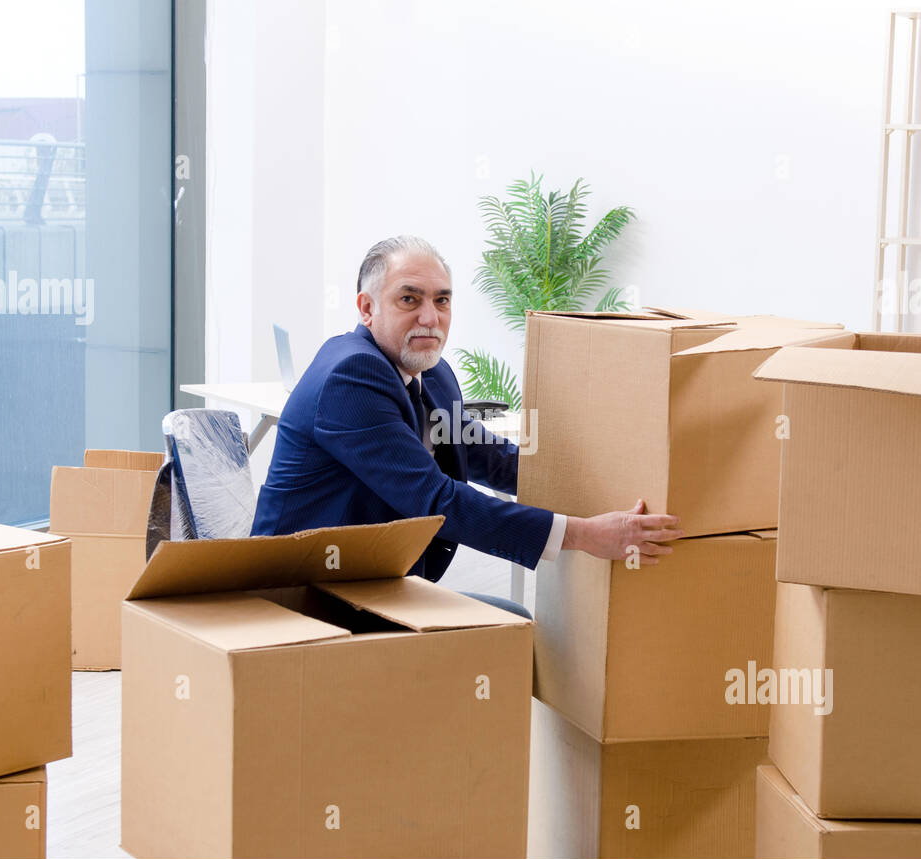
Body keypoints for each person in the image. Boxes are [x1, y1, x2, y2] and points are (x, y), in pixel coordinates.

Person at [250, 235, 683, 614]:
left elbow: (489, 457)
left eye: (441, 300)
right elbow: (437, 499)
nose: (430, 318)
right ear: (367, 308)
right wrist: (585, 534)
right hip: (306, 597)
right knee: (512, 624)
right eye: (409, 298)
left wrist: (607, 480)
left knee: (508, 621)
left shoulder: (429, 371)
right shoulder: (352, 376)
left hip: (370, 583)